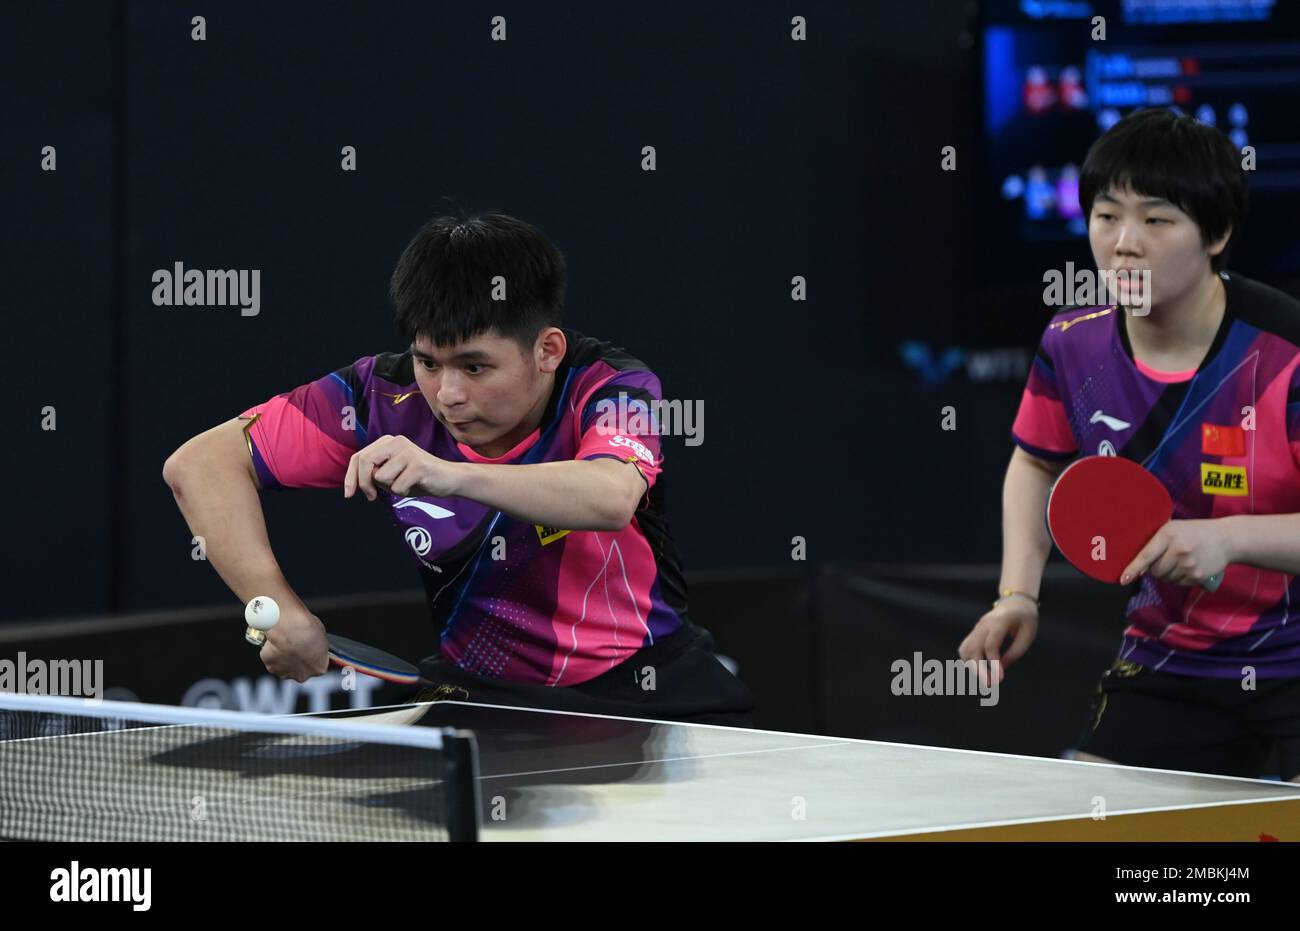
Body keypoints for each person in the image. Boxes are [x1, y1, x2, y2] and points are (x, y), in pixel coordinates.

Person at [163, 211, 753, 726]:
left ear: (546, 350)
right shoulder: (376, 397)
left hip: (652, 692)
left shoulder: (611, 386)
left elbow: (610, 494)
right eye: (428, 361)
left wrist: (446, 474)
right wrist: (279, 610)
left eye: (475, 367)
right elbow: (200, 464)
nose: (446, 394)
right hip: (488, 700)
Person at [960, 108, 1300, 781]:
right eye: (1107, 215)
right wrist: (1017, 595)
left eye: (1156, 219)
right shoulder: (1072, 343)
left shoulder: (1285, 352)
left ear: (1218, 232)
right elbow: (1034, 462)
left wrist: (1228, 540)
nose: (1124, 243)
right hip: (1168, 660)